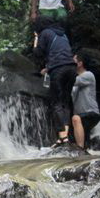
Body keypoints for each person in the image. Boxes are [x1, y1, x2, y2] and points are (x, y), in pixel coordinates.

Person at [33, 16, 77, 147]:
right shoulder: (62, 34)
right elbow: (61, 53)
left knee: (56, 102)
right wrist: (49, 67)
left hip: (59, 70)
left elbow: (37, 53)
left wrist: (36, 39)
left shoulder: (45, 33)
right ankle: (64, 136)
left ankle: (63, 137)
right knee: (65, 102)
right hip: (71, 68)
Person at [71, 52, 100, 149]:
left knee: (75, 118)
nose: (70, 63)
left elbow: (72, 81)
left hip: (90, 113)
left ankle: (80, 150)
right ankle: (84, 152)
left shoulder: (88, 75)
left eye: (73, 60)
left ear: (80, 63)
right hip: (81, 115)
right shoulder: (77, 80)